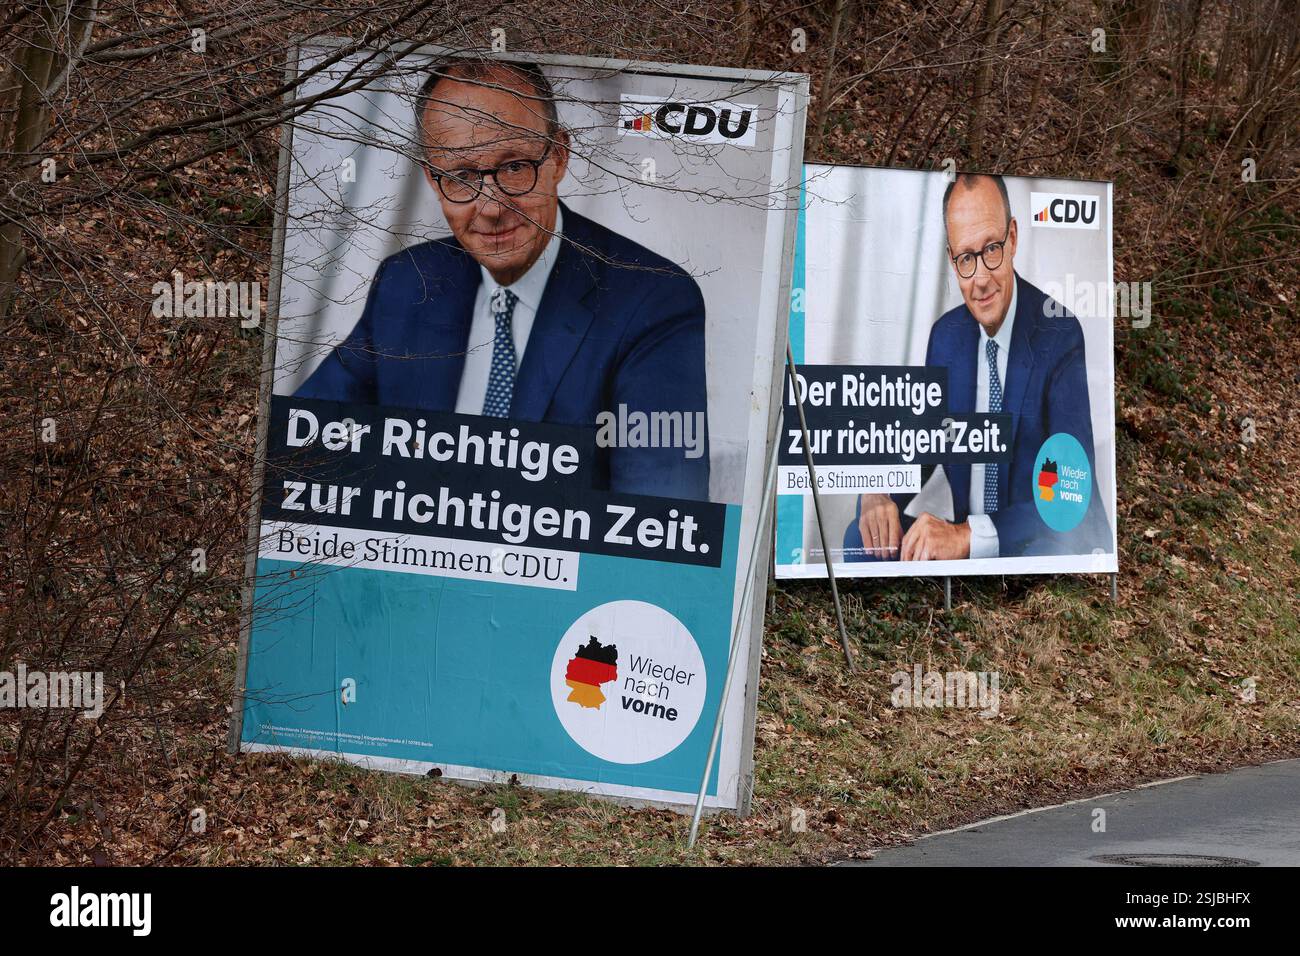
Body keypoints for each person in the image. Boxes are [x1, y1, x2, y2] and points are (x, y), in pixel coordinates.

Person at [297, 59, 710, 500]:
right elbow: (302, 444)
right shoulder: (407, 281)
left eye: (514, 167)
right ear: (434, 182)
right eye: (462, 176)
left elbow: (663, 515)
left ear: (558, 158)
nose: (491, 208)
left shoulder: (653, 300)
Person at [845, 173, 1108, 560]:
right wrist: (877, 492)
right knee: (861, 537)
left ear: (1013, 238)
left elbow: (1070, 493)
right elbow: (921, 444)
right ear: (953, 261)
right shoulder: (946, 337)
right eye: (967, 258)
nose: (981, 278)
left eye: (992, 249)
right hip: (966, 551)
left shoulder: (1059, 334)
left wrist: (968, 535)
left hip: (1033, 540)